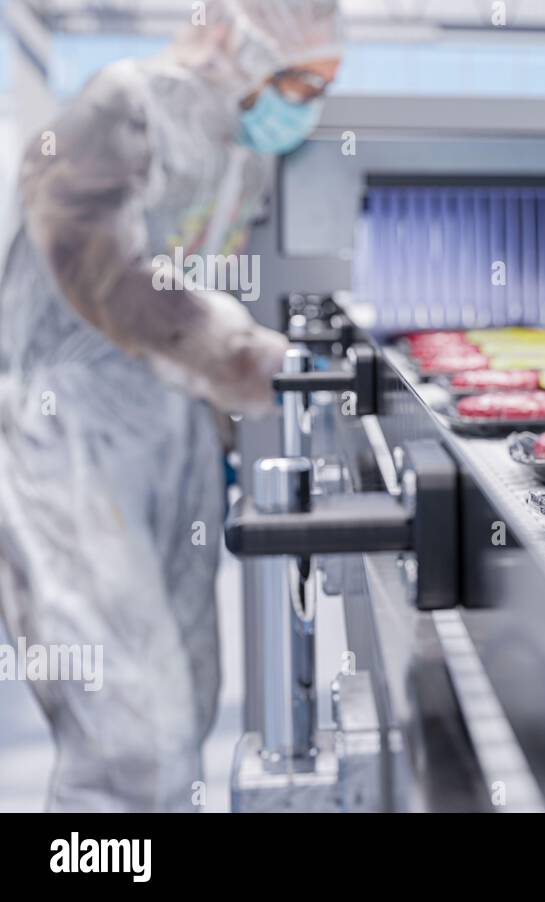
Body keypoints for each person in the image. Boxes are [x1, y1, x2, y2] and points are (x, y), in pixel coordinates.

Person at [0, 0, 342, 811]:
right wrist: (247, 357)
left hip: (174, 434)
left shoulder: (239, 154)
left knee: (185, 690)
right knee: (128, 732)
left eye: (318, 88)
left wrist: (226, 420)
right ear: (230, 35)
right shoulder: (120, 104)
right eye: (294, 80)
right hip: (67, 437)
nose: (301, 105)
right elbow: (99, 265)